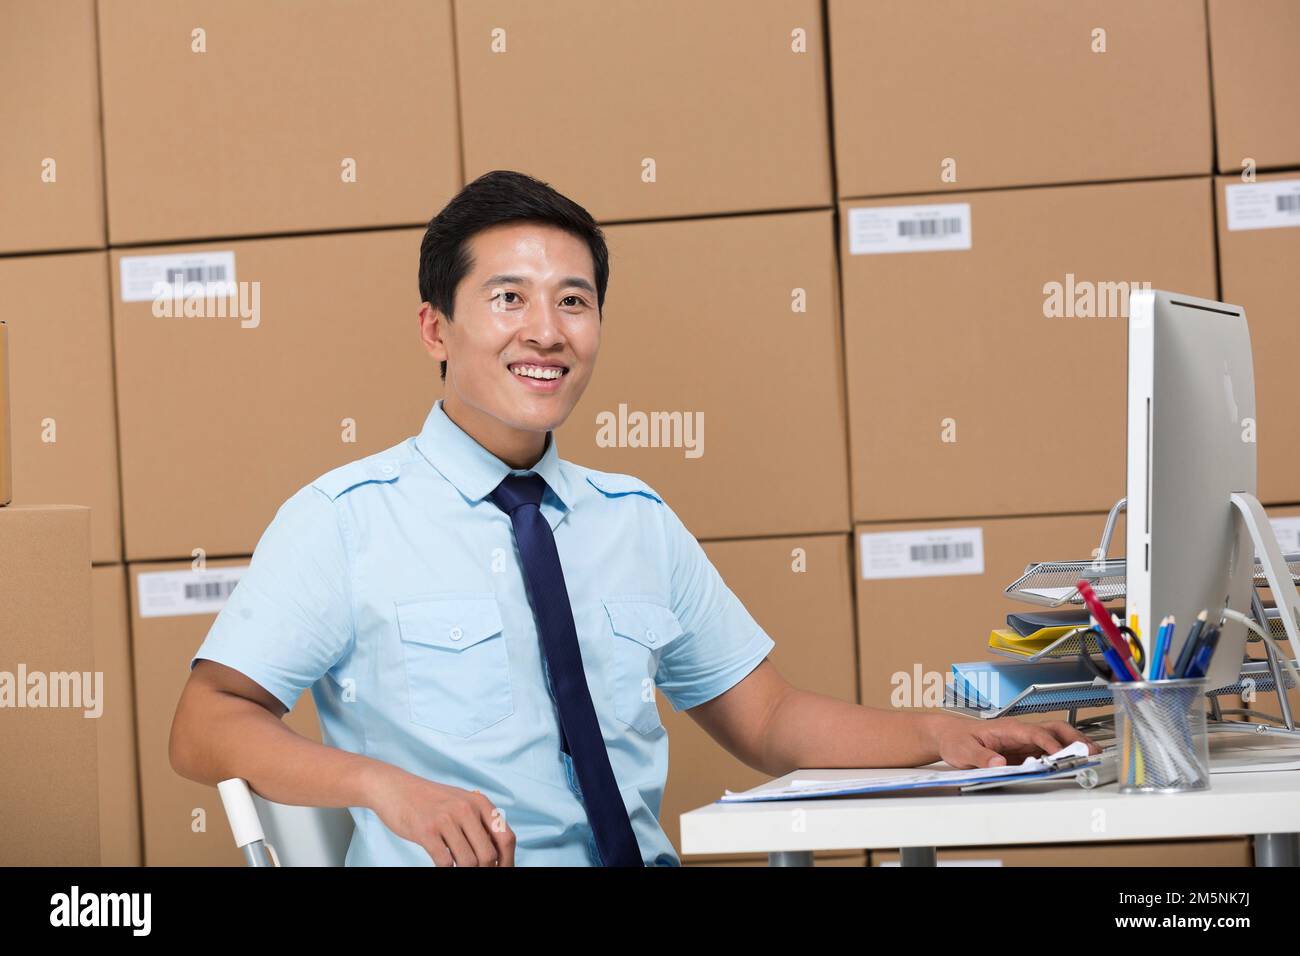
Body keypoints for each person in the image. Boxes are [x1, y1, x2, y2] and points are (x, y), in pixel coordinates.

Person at [170, 169, 1099, 867]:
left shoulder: (636, 523)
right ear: (435, 330)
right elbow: (204, 724)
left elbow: (769, 719)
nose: (547, 331)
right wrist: (383, 788)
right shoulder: (345, 521)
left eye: (574, 302)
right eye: (509, 299)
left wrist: (941, 737)